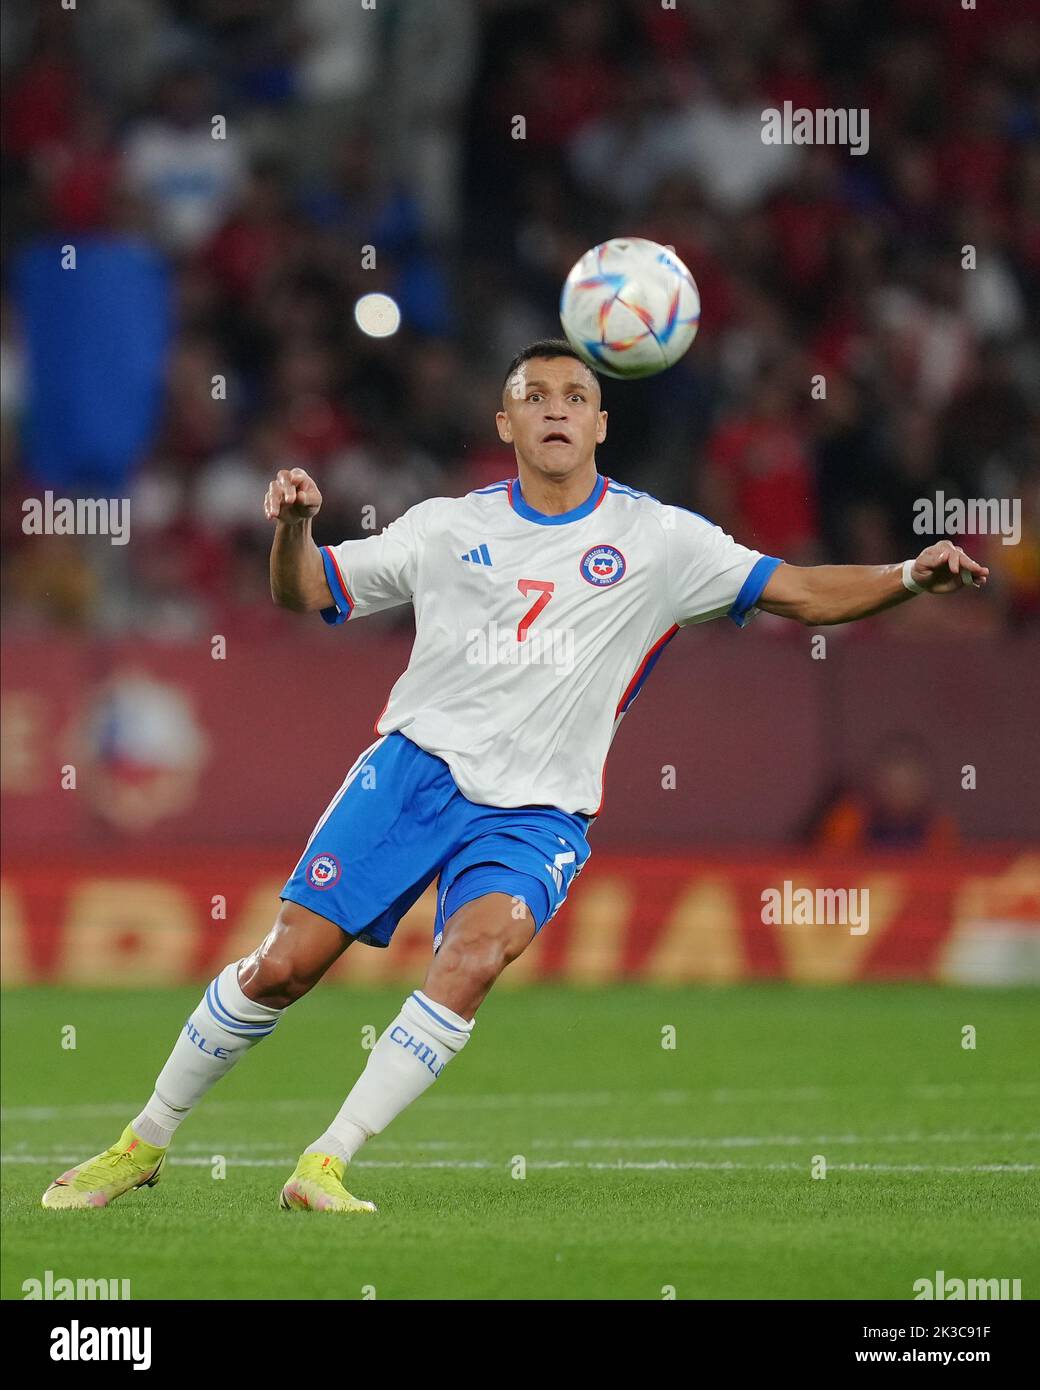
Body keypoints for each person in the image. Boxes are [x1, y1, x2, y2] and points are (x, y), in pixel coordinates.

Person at [42, 339, 988, 1212]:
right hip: (413, 774)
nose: (557, 409)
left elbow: (797, 589)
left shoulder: (659, 540)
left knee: (475, 956)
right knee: (285, 968)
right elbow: (304, 590)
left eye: (577, 396)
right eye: (534, 396)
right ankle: (143, 1142)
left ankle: (324, 1162)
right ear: (506, 424)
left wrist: (908, 576)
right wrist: (293, 530)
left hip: (538, 812)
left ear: (601, 425)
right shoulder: (446, 527)